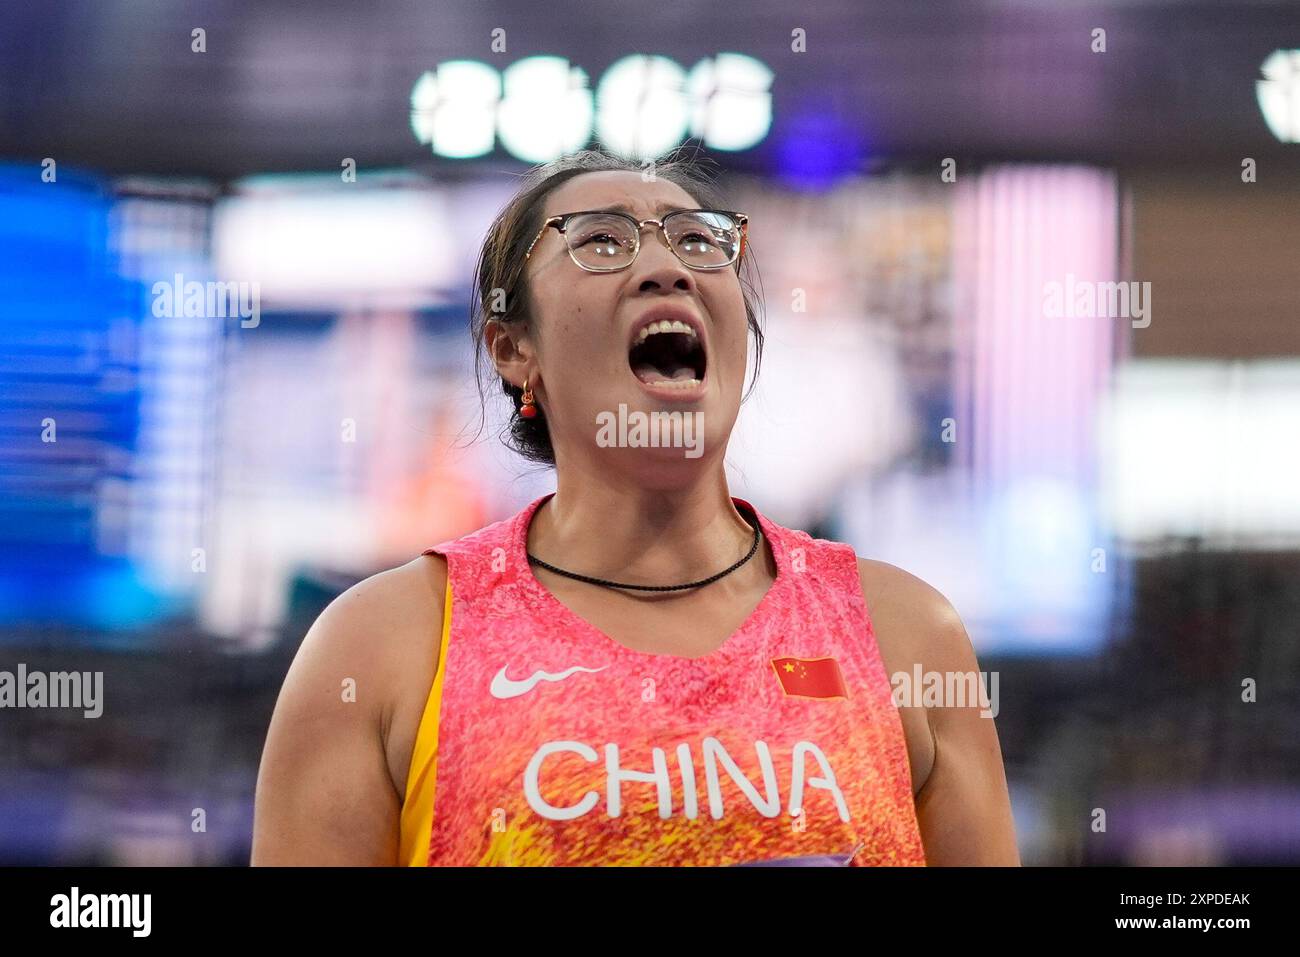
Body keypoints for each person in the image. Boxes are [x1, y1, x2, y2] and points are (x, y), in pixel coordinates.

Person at [251, 148, 1020, 866]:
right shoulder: (383, 647)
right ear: (513, 347)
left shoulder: (907, 635)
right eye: (602, 243)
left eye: (697, 241)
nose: (667, 266)